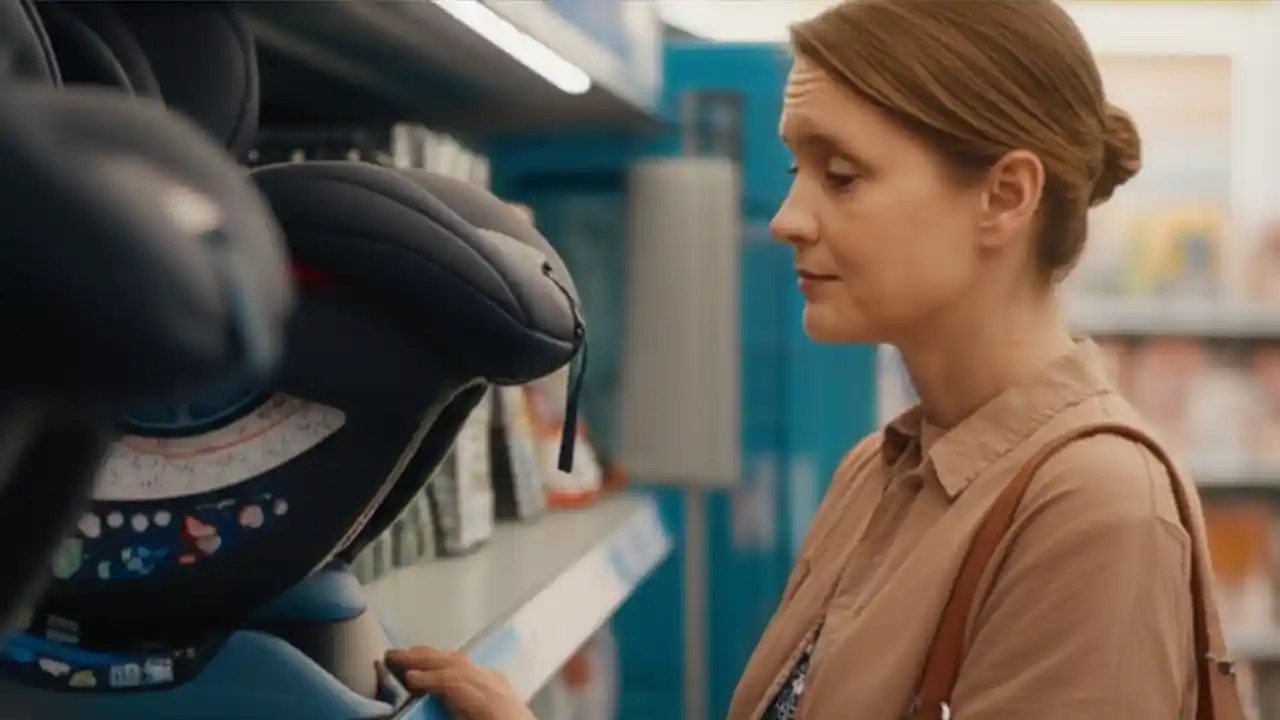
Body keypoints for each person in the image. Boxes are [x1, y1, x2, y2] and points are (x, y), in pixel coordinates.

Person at [385, 1, 1247, 718]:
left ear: (1004, 196)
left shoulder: (1096, 512)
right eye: (798, 169)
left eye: (841, 175)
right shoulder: (877, 473)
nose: (787, 218)